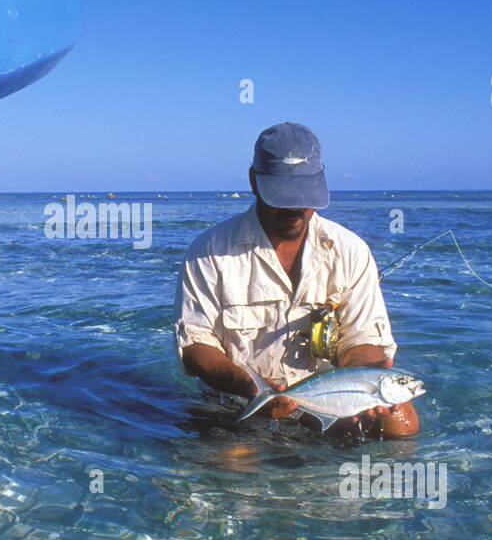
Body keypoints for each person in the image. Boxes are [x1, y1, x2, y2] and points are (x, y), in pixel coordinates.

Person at [174, 122, 418, 438]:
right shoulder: (207, 252)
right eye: (281, 196)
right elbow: (195, 347)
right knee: (235, 470)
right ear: (253, 181)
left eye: (301, 195)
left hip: (331, 400)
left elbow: (365, 340)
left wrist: (363, 381)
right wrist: (251, 389)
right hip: (238, 401)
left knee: (403, 424)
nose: (293, 208)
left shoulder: (350, 251)